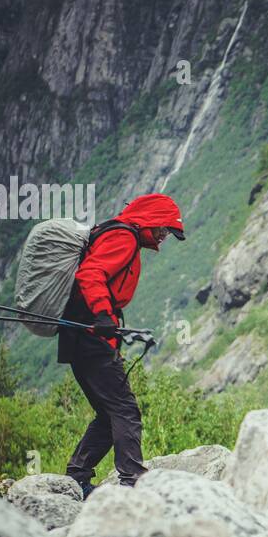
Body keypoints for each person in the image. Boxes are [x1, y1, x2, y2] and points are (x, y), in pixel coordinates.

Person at [60, 193, 185, 495]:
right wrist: (103, 312)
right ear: (151, 222)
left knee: (108, 413)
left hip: (80, 335)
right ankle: (133, 481)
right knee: (125, 410)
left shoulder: (117, 233)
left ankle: (76, 477)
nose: (164, 236)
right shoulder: (123, 237)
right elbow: (90, 274)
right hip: (91, 335)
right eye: (164, 230)